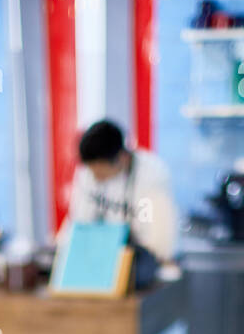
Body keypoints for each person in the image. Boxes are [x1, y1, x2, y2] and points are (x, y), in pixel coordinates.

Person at [63, 119, 178, 282]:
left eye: (101, 173)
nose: (96, 177)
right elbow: (80, 221)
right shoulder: (87, 175)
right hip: (99, 257)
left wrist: (158, 258)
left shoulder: (151, 175)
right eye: (92, 171)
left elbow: (159, 238)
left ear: (122, 157)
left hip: (138, 258)